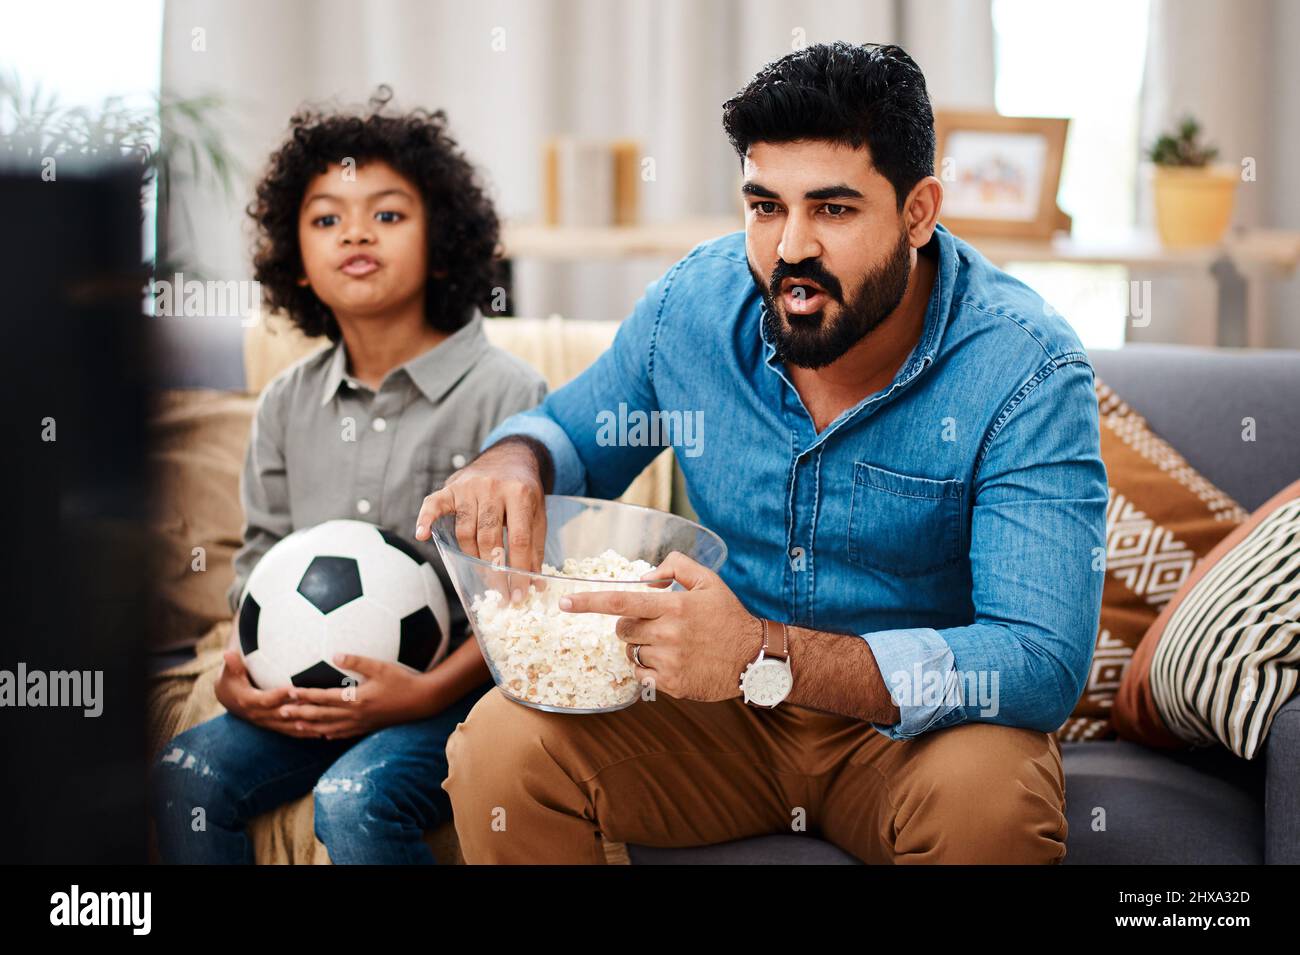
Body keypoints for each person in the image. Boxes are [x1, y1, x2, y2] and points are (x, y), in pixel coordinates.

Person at [417, 43, 1107, 864]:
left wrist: (764, 652)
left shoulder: (1025, 369)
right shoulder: (693, 307)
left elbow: (1038, 659)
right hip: (716, 716)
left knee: (992, 801)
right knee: (501, 746)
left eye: (834, 210)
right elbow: (571, 433)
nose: (790, 250)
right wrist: (516, 459)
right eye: (765, 206)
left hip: (915, 737)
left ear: (919, 212)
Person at [152, 91, 546, 864]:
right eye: (327, 218)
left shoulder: (509, 397)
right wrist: (242, 674)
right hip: (308, 694)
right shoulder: (287, 402)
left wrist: (429, 691)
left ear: (443, 242)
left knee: (354, 799)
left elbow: (526, 595)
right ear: (295, 257)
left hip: (459, 699)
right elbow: (259, 569)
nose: (355, 232)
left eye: (388, 215)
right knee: (181, 778)